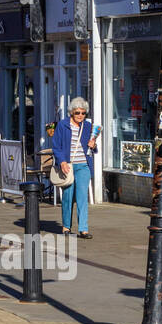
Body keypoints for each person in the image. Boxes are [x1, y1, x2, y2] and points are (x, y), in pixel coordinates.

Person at [51, 97, 97, 239]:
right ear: (71, 112)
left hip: (83, 165)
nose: (80, 116)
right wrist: (62, 162)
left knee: (83, 197)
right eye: (77, 113)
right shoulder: (63, 125)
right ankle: (66, 227)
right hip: (68, 166)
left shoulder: (88, 126)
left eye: (83, 113)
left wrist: (93, 146)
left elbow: (93, 148)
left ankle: (83, 229)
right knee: (68, 197)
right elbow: (56, 146)